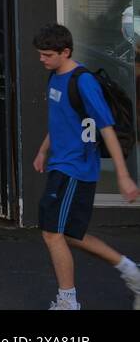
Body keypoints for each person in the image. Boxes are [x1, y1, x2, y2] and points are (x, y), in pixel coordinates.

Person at [33, 23, 139, 309]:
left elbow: (106, 128)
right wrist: (43, 150)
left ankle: (68, 302)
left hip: (75, 170)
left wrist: (123, 175)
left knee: (52, 233)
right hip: (61, 164)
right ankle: (132, 271)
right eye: (40, 54)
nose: (41, 59)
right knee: (70, 234)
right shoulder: (54, 76)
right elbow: (60, 119)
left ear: (65, 51)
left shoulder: (83, 82)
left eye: (46, 55)